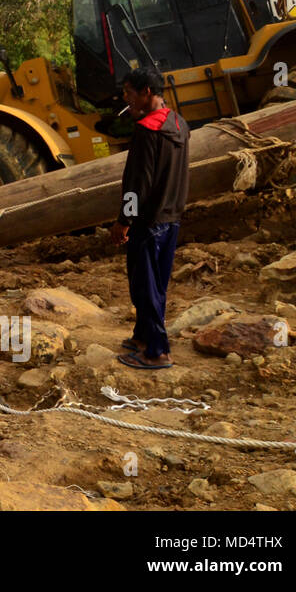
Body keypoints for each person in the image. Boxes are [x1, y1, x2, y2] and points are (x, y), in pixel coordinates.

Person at [108, 67, 189, 370]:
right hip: (172, 218)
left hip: (148, 222)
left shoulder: (146, 131)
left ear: (146, 93)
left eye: (129, 92)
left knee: (145, 285)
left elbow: (137, 185)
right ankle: (143, 336)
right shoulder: (180, 125)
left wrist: (124, 221)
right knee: (155, 284)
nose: (126, 99)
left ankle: (157, 352)